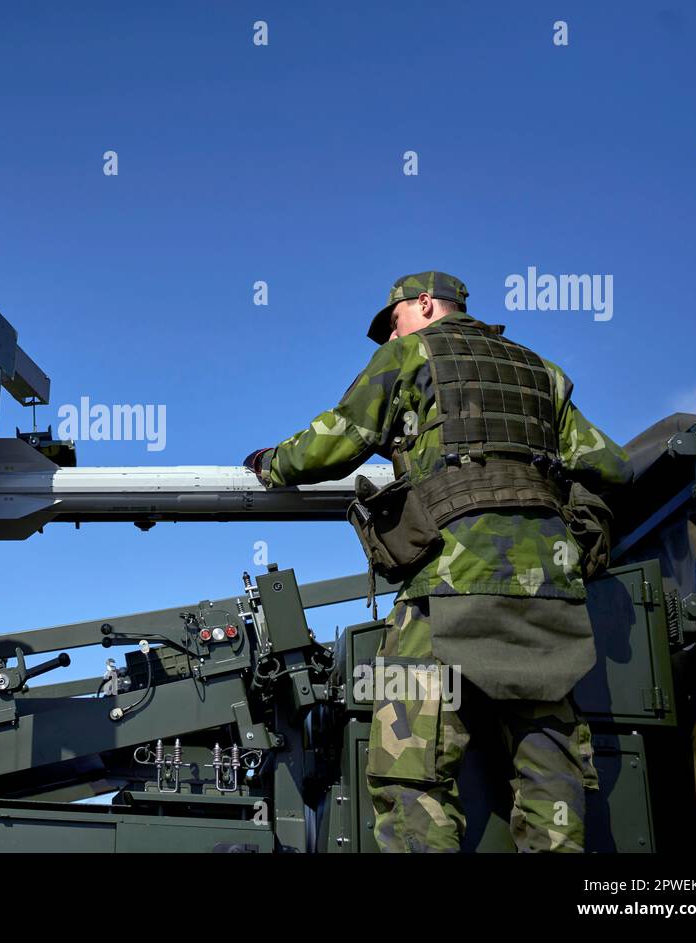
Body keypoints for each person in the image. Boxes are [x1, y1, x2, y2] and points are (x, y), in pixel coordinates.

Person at [243, 271, 631, 852]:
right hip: (550, 592)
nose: (388, 335)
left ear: (423, 305)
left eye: (392, 320)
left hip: (446, 584)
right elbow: (614, 467)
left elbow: (339, 438)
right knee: (549, 765)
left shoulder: (411, 353)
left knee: (409, 767)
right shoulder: (541, 370)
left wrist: (272, 463)